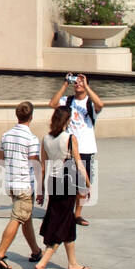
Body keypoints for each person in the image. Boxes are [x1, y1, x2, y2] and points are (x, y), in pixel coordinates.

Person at [28, 107, 91, 269]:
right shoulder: (70, 138)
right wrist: (88, 184)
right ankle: (43, 263)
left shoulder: (45, 139)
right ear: (67, 121)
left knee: (67, 221)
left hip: (52, 181)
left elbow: (41, 167)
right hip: (67, 181)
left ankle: (73, 263)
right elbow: (78, 164)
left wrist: (40, 191)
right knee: (62, 223)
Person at [0, 102, 43, 269]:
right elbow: (35, 164)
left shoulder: (6, 135)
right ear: (31, 117)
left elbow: (0, 159)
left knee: (25, 217)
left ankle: (35, 251)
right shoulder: (32, 139)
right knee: (18, 218)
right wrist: (41, 188)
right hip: (24, 185)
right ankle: (0, 253)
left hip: (11, 183)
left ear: (17, 115)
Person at [49, 73, 103, 226]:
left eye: (81, 82)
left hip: (86, 148)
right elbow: (52, 104)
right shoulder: (68, 101)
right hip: (68, 148)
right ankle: (63, 211)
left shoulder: (89, 103)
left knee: (83, 185)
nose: (77, 84)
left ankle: (77, 214)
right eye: (76, 82)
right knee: (65, 183)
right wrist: (65, 84)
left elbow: (100, 105)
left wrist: (87, 86)